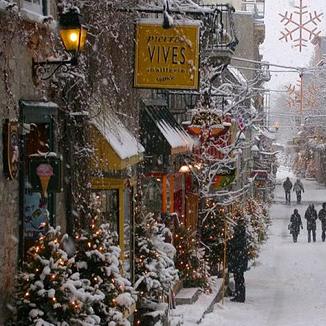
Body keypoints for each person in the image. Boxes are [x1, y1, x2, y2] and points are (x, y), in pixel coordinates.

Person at [228, 217, 249, 303]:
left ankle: (240, 296)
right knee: (239, 278)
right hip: (239, 261)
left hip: (238, 261)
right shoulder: (241, 237)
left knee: (239, 279)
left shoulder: (239, 238)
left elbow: (235, 246)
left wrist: (230, 243)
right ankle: (239, 295)